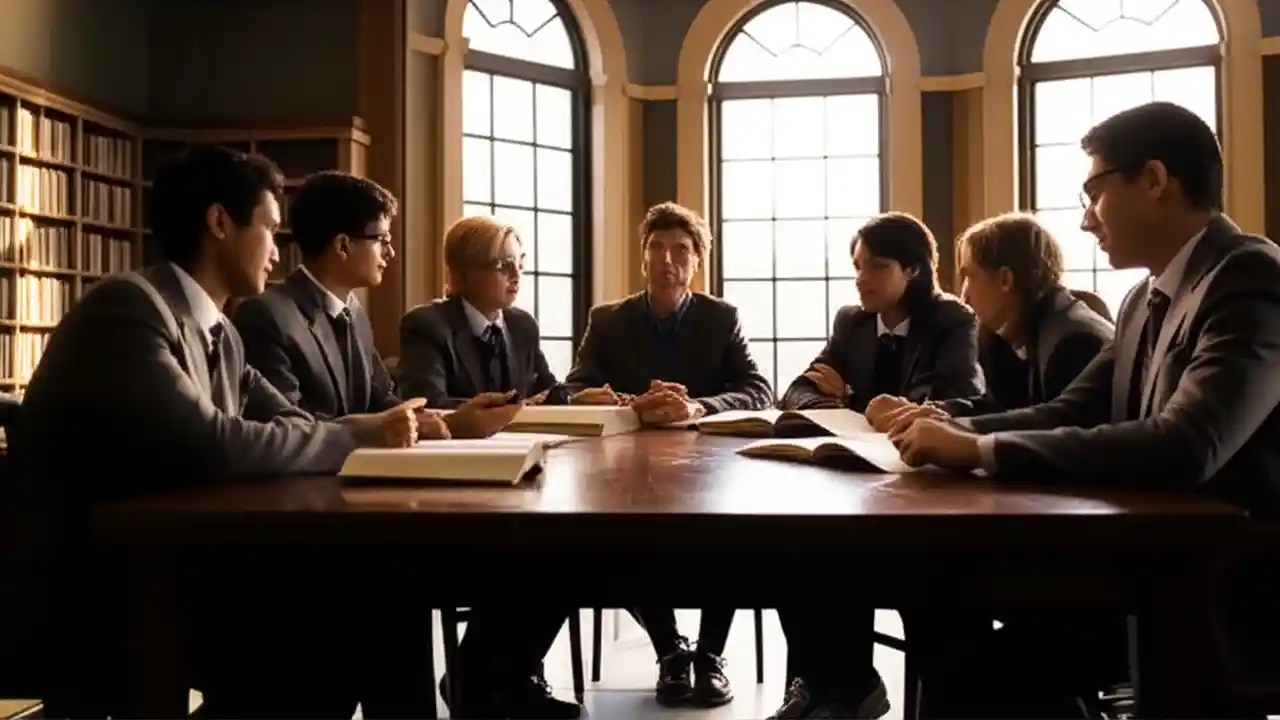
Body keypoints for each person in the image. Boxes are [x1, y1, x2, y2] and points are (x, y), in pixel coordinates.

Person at [6, 145, 425, 717]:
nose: (278, 254)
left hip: (176, 565)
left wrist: (357, 431)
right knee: (349, 623)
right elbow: (215, 443)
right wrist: (357, 437)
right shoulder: (128, 310)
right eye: (271, 230)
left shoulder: (221, 335)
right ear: (220, 223)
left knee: (381, 601)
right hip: (98, 590)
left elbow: (295, 423)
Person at [890, 101, 1280, 716]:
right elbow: (1070, 408)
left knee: (967, 677)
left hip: (1222, 590)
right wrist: (951, 427)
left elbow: (1187, 444)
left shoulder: (1250, 276)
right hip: (1150, 562)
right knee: (947, 624)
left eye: (1094, 193)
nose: (1085, 220)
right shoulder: (1139, 300)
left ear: (1154, 180)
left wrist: (980, 450)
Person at [564, 201, 774, 708]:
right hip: (629, 463)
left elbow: (758, 388)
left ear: (696, 262)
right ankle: (669, 651)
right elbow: (573, 388)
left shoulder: (720, 317)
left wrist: (697, 406)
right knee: (625, 538)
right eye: (657, 248)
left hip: (707, 462)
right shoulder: (608, 319)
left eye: (681, 250)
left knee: (732, 537)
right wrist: (620, 401)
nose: (668, 259)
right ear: (642, 257)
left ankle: (710, 656)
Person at [865, 212, 1113, 430]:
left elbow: (1051, 427)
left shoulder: (1075, 341)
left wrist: (951, 426)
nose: (964, 296)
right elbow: (1001, 408)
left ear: (1005, 279)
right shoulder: (1005, 335)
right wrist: (936, 412)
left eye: (969, 277)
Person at [778, 211, 983, 414]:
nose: (861, 279)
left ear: (912, 270)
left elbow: (951, 402)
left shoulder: (952, 321)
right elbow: (799, 390)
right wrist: (834, 406)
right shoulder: (851, 322)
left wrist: (851, 399)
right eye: (858, 267)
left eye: (877, 267)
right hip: (856, 444)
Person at [398, 215, 566, 409]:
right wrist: (511, 409)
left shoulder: (523, 325)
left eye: (519, 264)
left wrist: (572, 397)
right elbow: (428, 403)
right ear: (464, 272)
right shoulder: (427, 325)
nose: (516, 276)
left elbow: (548, 390)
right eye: (504, 265)